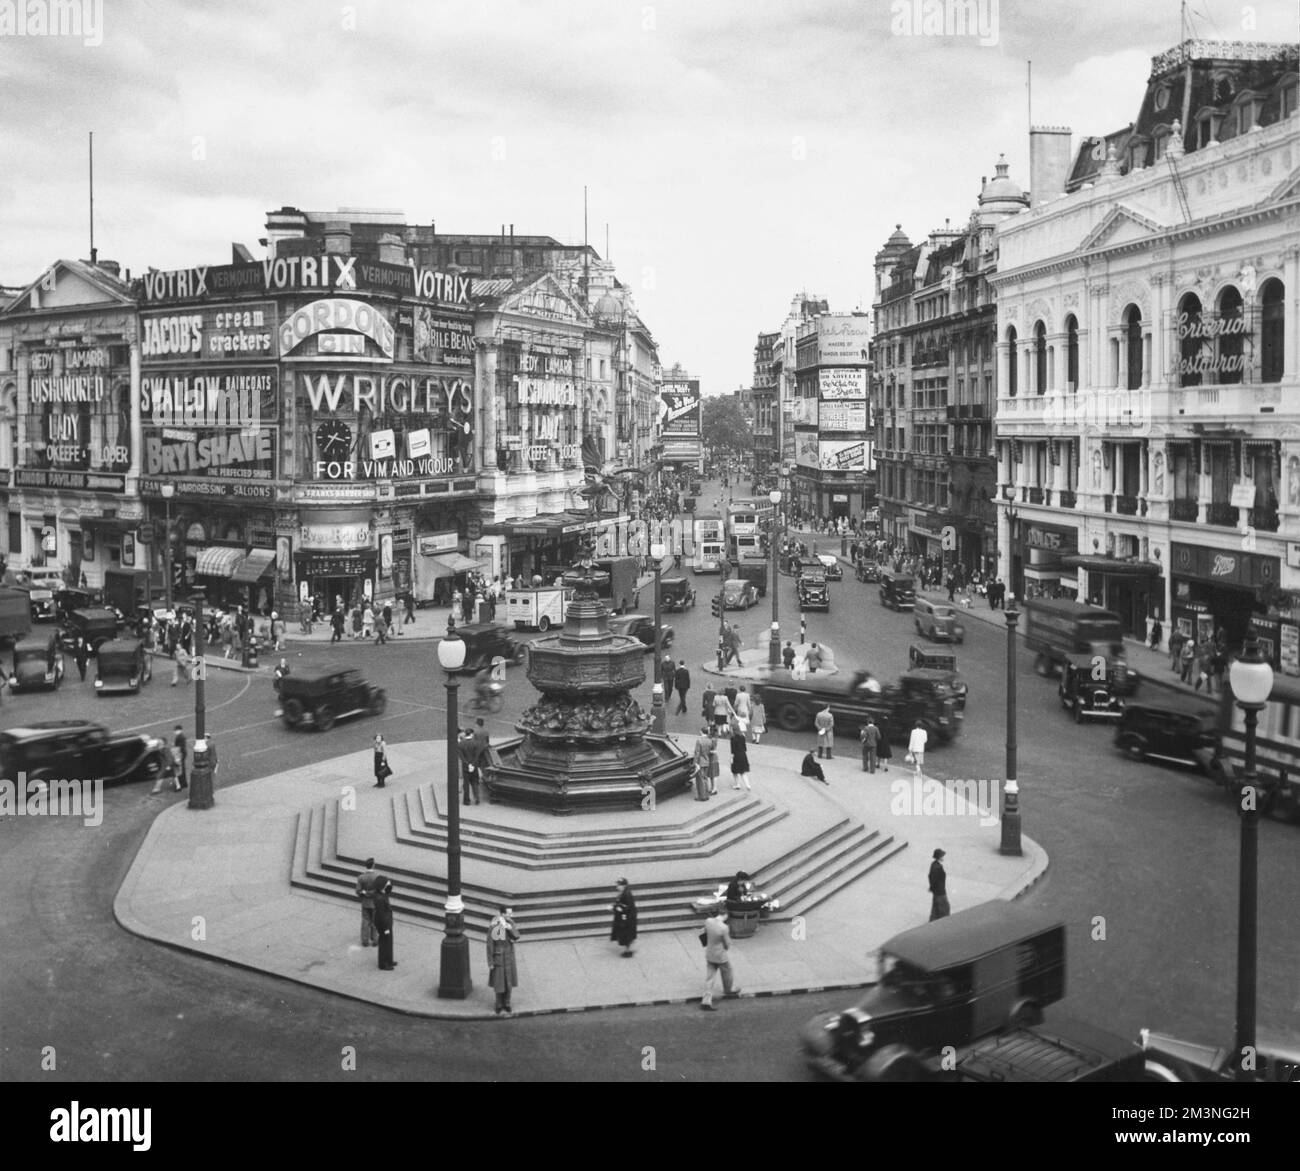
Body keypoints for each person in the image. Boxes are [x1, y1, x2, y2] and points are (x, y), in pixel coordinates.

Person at [699, 908, 740, 1010]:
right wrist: (726, 946)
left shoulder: (708, 921)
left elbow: (704, 932)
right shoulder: (724, 928)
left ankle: (706, 1001)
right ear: (725, 915)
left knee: (710, 977)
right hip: (720, 955)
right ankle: (728, 989)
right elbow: (727, 944)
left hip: (709, 953)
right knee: (728, 971)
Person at [486, 907, 521, 1015]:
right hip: (499, 955)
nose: (511, 915)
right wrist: (490, 961)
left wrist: (509, 928)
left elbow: (516, 936)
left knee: (508, 981)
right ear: (502, 914)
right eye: (508, 913)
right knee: (499, 982)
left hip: (509, 955)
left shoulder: (510, 923)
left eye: (511, 913)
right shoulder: (495, 926)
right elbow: (490, 944)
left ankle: (507, 1003)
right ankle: (498, 1004)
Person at [354, 858, 383, 947]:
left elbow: (358, 891)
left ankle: (365, 941)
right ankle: (375, 940)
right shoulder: (378, 877)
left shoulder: (361, 877)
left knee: (365, 921)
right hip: (375, 903)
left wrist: (364, 893)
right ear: (373, 865)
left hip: (365, 903)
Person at [611, 879, 638, 957]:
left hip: (626, 918)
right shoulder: (623, 893)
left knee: (626, 934)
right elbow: (621, 903)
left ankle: (628, 951)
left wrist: (615, 908)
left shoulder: (627, 894)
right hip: (625, 917)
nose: (617, 887)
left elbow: (627, 907)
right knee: (626, 934)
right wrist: (615, 906)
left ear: (624, 885)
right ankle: (628, 949)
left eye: (618, 885)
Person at [374, 880, 397, 970]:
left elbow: (389, 890)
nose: (389, 885)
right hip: (384, 924)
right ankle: (383, 963)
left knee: (389, 941)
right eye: (387, 884)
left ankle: (389, 960)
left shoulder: (383, 894)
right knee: (384, 943)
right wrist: (385, 928)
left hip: (387, 922)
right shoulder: (380, 898)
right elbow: (381, 915)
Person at [458, 727, 481, 805]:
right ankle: (477, 797)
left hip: (465, 766)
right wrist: (473, 764)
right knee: (475, 782)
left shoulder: (460, 744)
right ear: (471, 734)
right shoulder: (476, 743)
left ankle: (466, 800)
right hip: (474, 766)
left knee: (466, 783)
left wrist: (467, 764)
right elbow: (477, 755)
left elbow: (461, 756)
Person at [692, 726, 714, 801]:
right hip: (706, 761)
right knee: (705, 778)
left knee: (700, 780)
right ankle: (706, 795)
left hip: (700, 762)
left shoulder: (699, 740)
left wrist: (695, 763)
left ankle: (702, 796)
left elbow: (697, 753)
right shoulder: (709, 740)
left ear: (701, 732)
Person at [928, 849, 950, 921]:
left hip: (936, 891)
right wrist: (933, 887)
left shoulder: (934, 864)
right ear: (939, 857)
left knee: (936, 908)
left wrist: (932, 888)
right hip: (940, 891)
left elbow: (930, 877)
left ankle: (933, 921)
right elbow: (933, 879)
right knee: (945, 908)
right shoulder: (938, 868)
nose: (943, 857)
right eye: (942, 856)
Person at [172, 725, 189, 791]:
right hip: (182, 754)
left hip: (180, 754)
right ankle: (184, 783)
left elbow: (179, 747)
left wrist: (174, 746)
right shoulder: (181, 736)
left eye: (175, 730)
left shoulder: (180, 737)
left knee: (179, 770)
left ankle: (180, 785)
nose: (174, 732)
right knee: (182, 769)